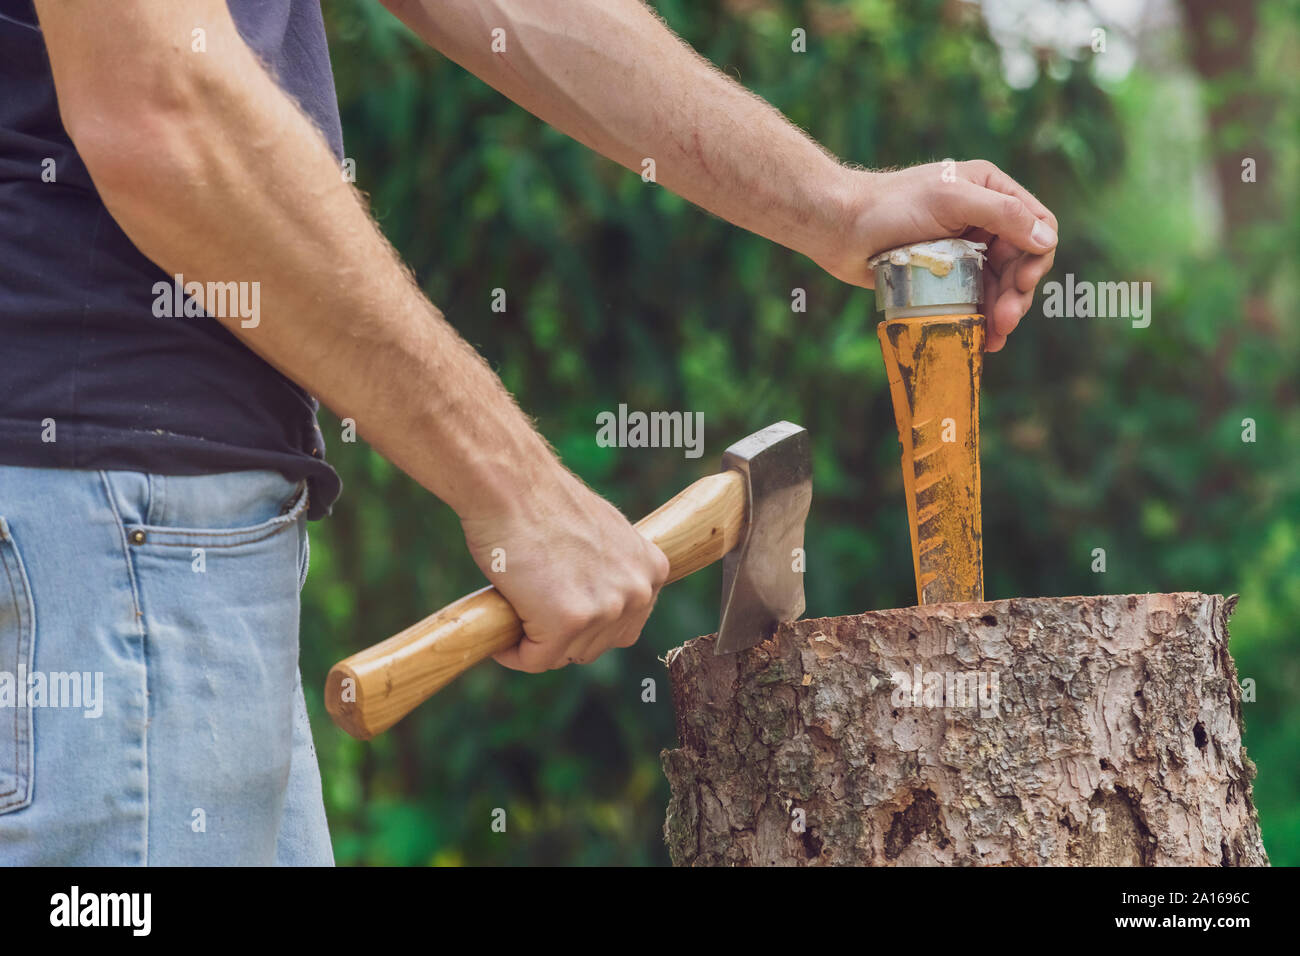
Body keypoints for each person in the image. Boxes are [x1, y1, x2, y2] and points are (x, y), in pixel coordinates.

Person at [0, 0, 1057, 865]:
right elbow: (159, 98)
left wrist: (833, 205)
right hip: (95, 532)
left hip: (141, 542)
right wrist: (516, 489)